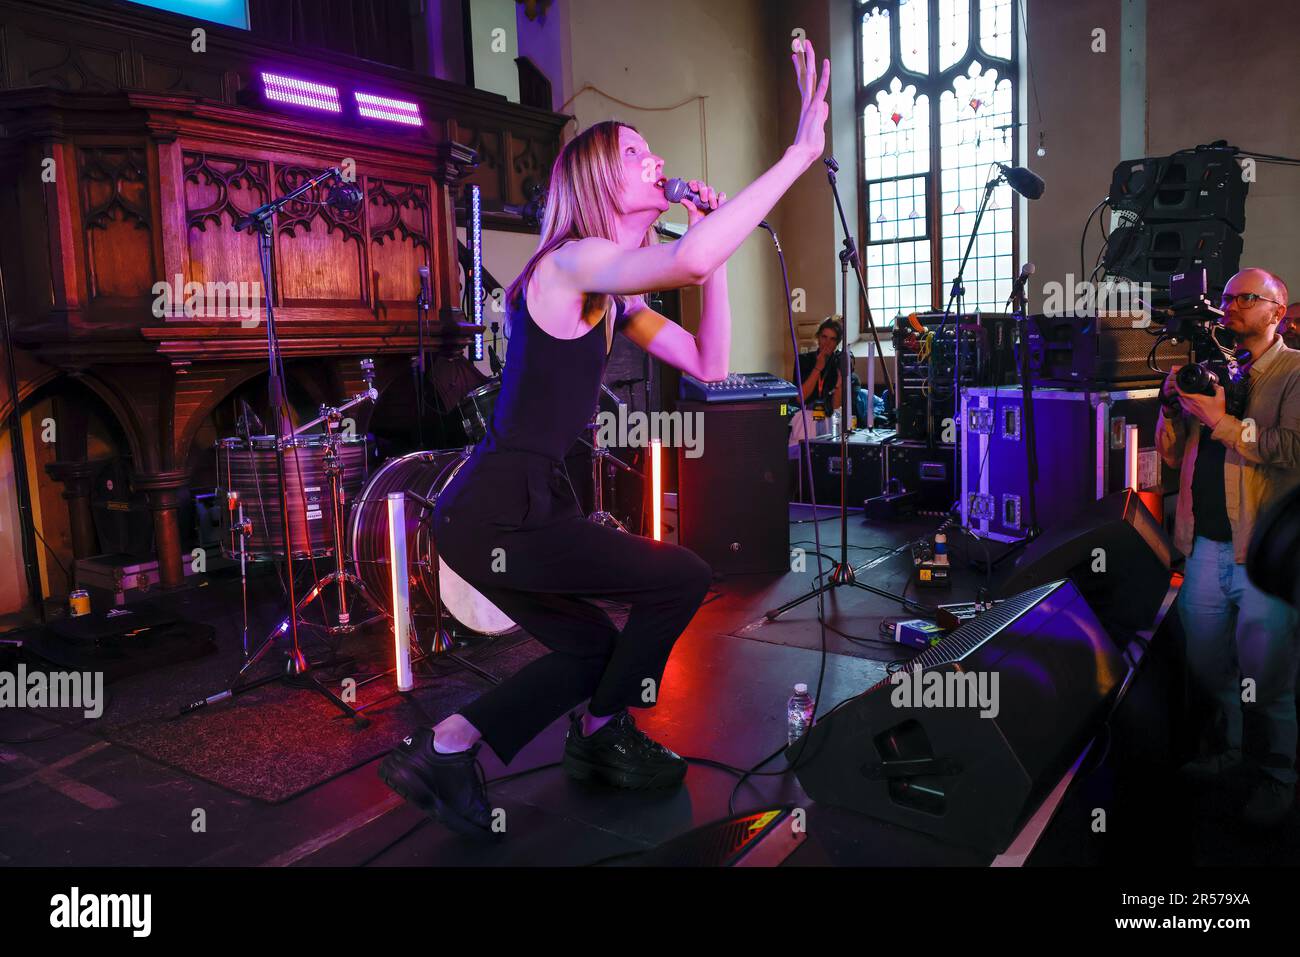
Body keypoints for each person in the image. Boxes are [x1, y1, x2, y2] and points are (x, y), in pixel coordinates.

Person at [379, 40, 832, 837]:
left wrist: (710, 250)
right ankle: (600, 730)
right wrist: (797, 155)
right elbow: (690, 261)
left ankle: (448, 748)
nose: (656, 159)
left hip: (528, 509)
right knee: (680, 576)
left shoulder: (610, 291)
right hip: (492, 513)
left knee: (589, 650)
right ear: (599, 181)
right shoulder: (568, 263)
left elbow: (709, 361)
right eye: (636, 152)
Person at [1158, 267, 1300, 828]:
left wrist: (1221, 420)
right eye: (1227, 298)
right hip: (1204, 546)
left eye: (1247, 297)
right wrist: (1173, 407)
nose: (1233, 306)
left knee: (1269, 676)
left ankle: (1279, 777)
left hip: (1260, 550)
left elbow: (1291, 449)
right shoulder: (1217, 371)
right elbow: (1172, 458)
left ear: (1277, 310)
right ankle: (1231, 750)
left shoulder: (1293, 372)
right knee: (1209, 662)